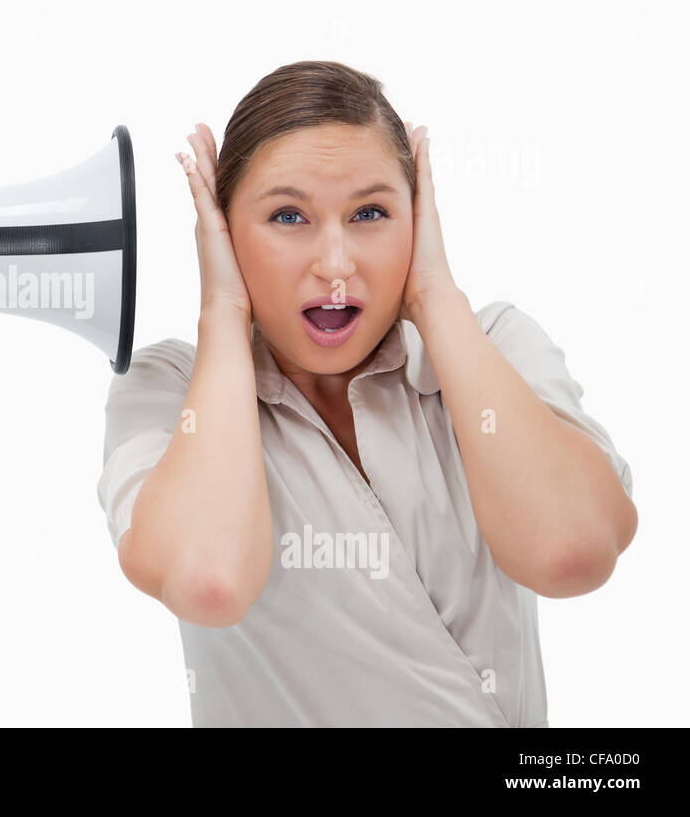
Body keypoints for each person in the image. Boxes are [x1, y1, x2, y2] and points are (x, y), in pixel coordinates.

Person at [97, 60, 637, 727]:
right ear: (223, 230)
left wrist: (436, 295)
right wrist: (223, 314)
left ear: (420, 217)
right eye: (288, 216)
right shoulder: (169, 389)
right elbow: (211, 580)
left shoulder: (490, 343)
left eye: (371, 212)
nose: (335, 264)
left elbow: (571, 553)